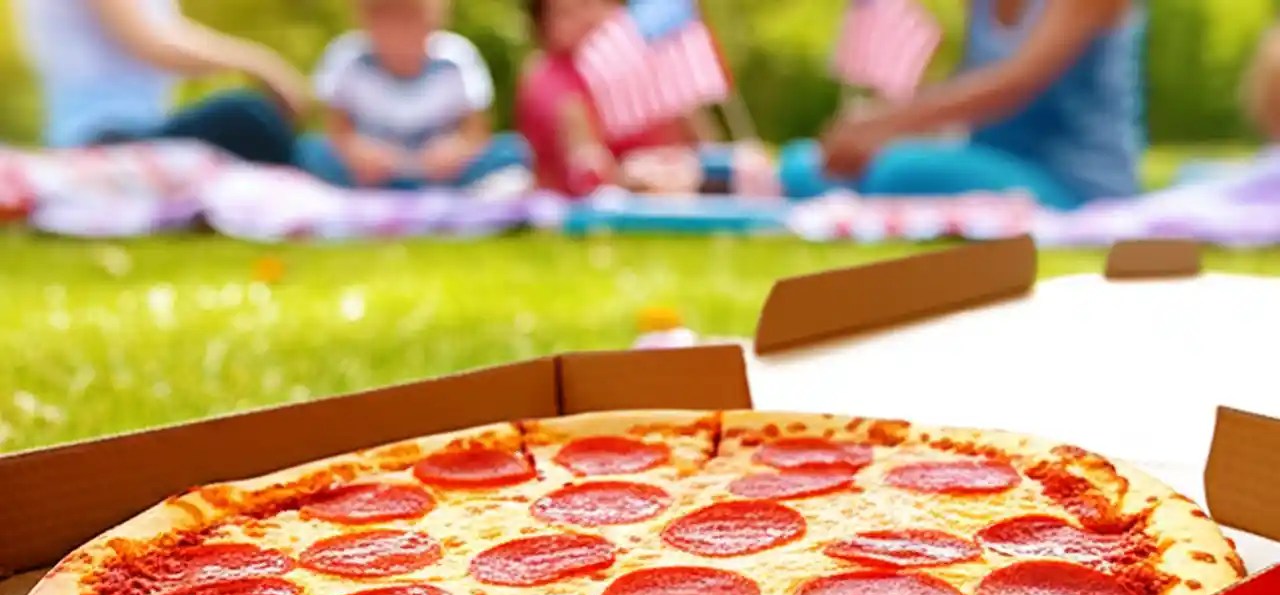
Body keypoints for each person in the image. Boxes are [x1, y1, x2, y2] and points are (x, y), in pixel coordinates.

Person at [780, 0, 1144, 210]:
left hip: (1071, 183)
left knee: (896, 172)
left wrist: (888, 124)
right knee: (805, 166)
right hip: (990, 161)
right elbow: (967, 85)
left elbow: (1018, 82)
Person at [15, 0, 309, 165]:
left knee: (283, 134)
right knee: (248, 118)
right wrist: (259, 63)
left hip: (143, 129)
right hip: (102, 138)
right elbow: (150, 43)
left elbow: (173, 33)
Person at [293, 0, 528, 190]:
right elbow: (337, 131)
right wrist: (357, 151)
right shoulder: (345, 55)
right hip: (370, 172)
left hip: (440, 171)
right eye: (388, 20)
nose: (399, 31)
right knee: (309, 151)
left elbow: (476, 131)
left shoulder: (457, 57)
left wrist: (455, 150)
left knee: (513, 149)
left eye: (410, 19)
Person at [517, 0, 731, 196]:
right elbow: (587, 168)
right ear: (543, 27)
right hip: (598, 201)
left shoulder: (645, 64)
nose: (585, 20)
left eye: (589, 5)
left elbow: (701, 142)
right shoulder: (554, 81)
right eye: (565, 14)